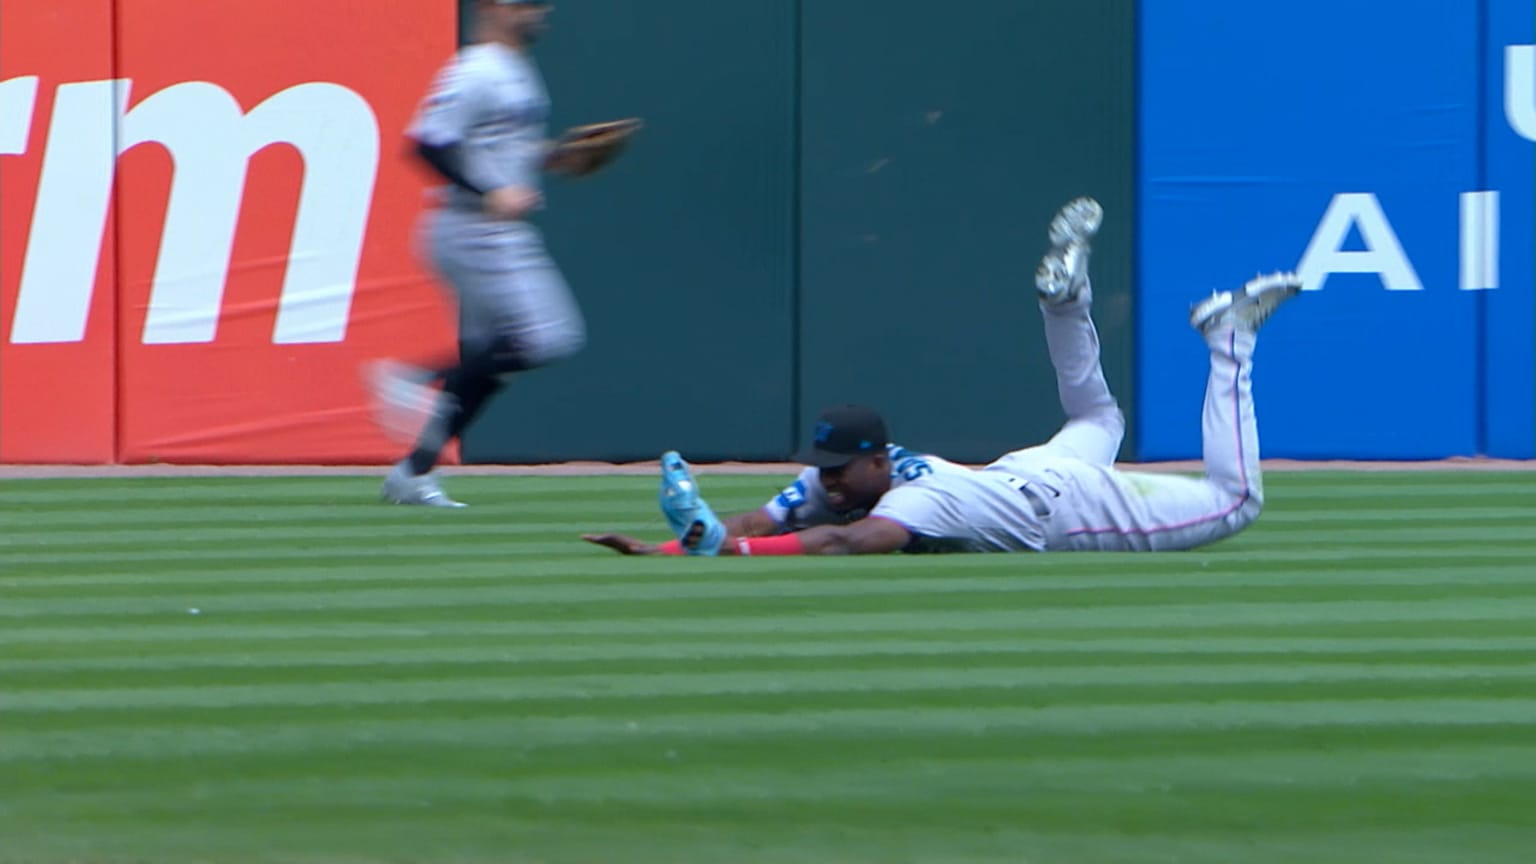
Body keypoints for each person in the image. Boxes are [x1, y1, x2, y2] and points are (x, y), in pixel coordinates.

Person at [582, 197, 1302, 555]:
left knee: (1236, 502)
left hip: (1073, 504)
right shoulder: (852, 478)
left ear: (877, 460)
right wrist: (679, 543)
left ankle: (1228, 339)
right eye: (822, 469)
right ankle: (1065, 299)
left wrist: (726, 552)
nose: (827, 483)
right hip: (1028, 471)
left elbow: (842, 543)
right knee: (1098, 421)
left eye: (839, 471)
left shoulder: (924, 501)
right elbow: (759, 520)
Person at [371, 0, 594, 507]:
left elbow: (494, 147)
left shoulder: (515, 67)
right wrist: (489, 191)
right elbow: (428, 143)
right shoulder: (476, 69)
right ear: (493, 8)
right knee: (548, 336)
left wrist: (555, 157)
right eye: (526, 4)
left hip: (489, 228)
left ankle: (412, 473)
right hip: (473, 228)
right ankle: (413, 379)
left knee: (489, 365)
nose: (541, 10)